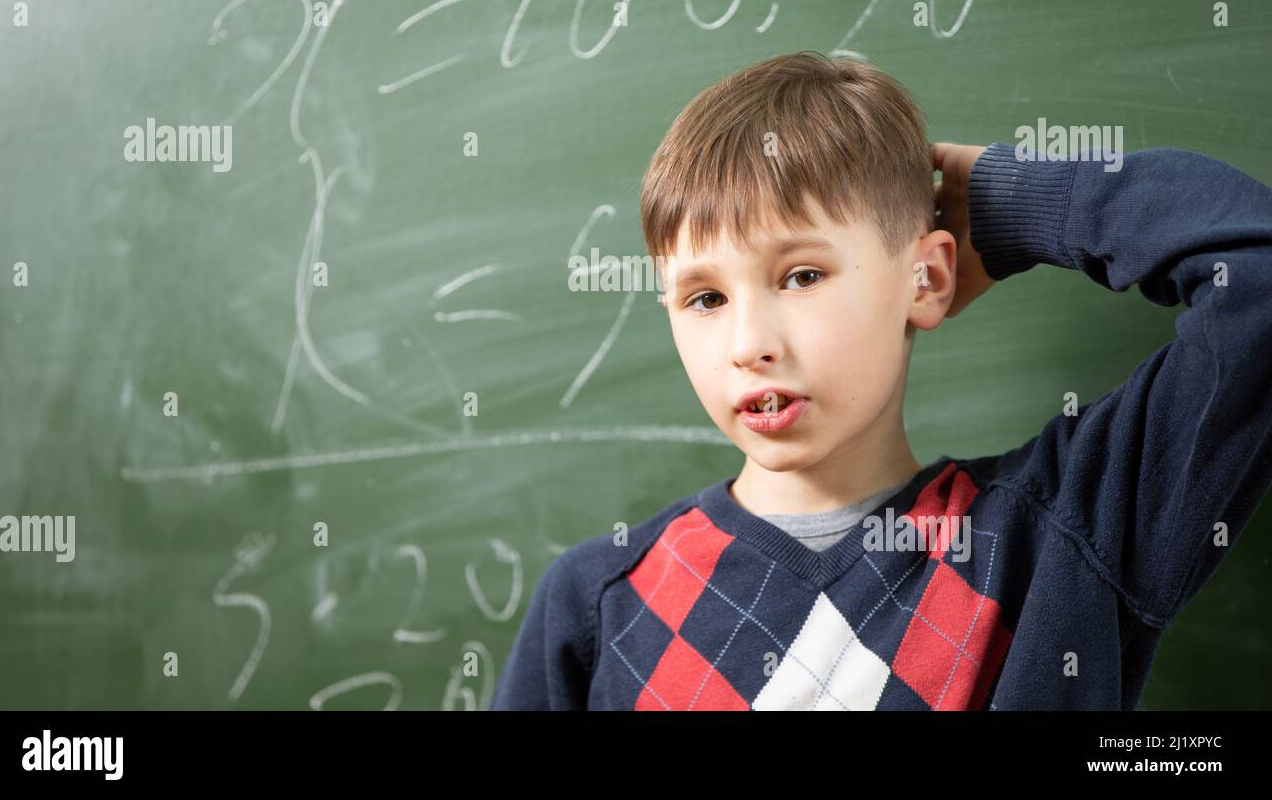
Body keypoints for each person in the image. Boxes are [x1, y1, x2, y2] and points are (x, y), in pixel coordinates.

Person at [491, 52, 1272, 710]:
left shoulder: (1058, 536)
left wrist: (1012, 204)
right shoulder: (598, 606)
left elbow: (1258, 279)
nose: (749, 344)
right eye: (705, 298)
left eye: (800, 275)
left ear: (925, 279)